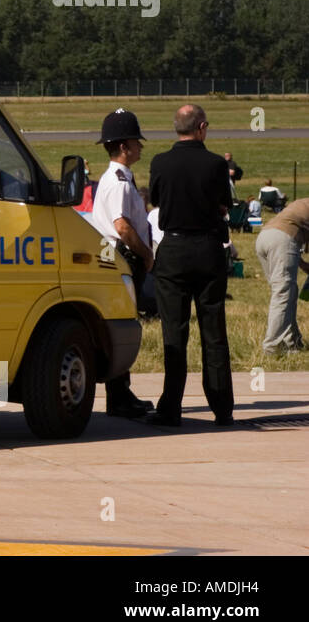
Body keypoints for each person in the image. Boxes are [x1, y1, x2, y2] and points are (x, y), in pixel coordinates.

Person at [147, 104, 235, 427]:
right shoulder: (214, 164)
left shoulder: (160, 162)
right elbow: (224, 204)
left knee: (174, 331)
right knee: (213, 331)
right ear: (201, 127)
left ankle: (171, 407)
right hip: (208, 247)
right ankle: (222, 406)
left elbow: (156, 201)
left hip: (173, 248)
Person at [87, 109, 156, 417]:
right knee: (122, 323)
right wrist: (145, 254)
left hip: (115, 255)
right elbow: (122, 226)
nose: (141, 147)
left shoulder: (116, 179)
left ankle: (121, 394)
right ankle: (119, 397)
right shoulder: (119, 183)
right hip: (124, 256)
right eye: (136, 142)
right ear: (124, 147)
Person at [253, 197, 309, 354]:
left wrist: (303, 264)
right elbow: (287, 238)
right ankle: (272, 346)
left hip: (265, 237)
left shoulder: (302, 203)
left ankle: (292, 341)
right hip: (283, 239)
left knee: (286, 293)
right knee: (284, 293)